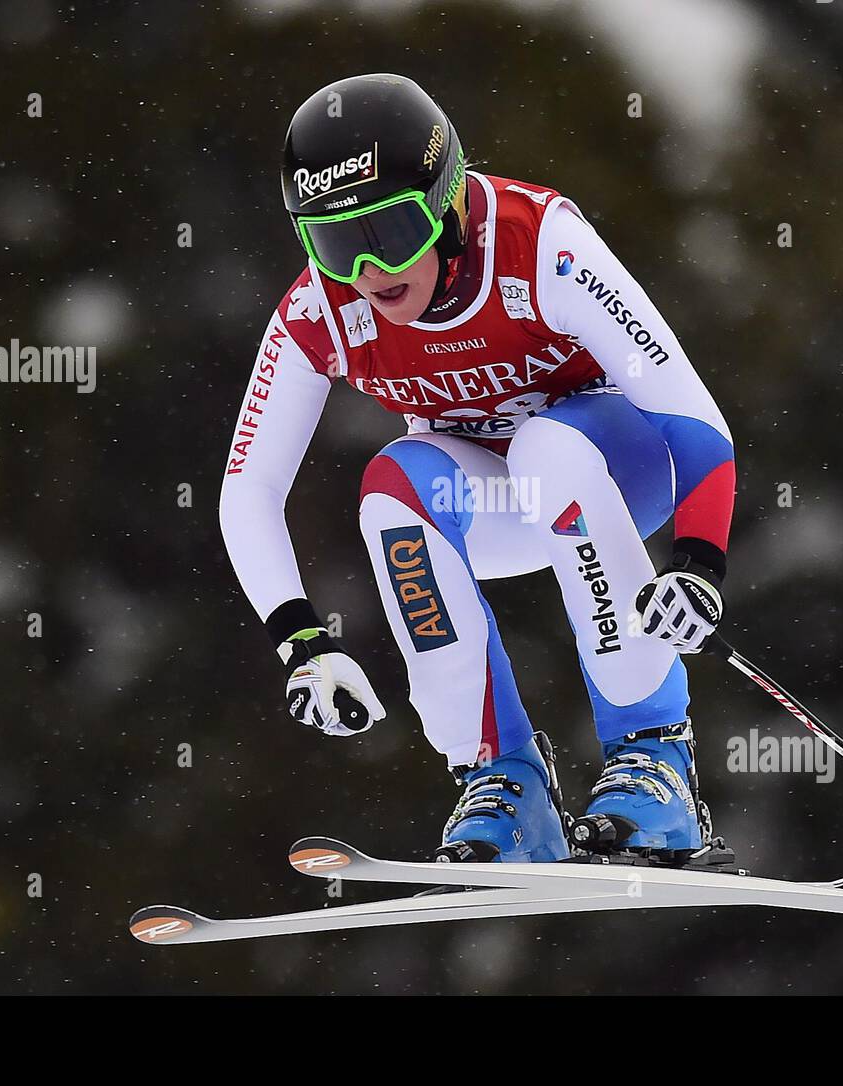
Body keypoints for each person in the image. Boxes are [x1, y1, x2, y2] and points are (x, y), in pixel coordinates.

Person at [219, 73, 735, 865]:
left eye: (388, 233)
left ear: (447, 200)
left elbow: (690, 412)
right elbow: (249, 488)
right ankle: (502, 780)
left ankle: (653, 758)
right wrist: (302, 644)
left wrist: (698, 563)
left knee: (547, 446)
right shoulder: (322, 310)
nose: (365, 270)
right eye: (331, 242)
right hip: (498, 502)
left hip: (620, 468)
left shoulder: (540, 245)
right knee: (393, 487)